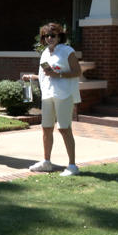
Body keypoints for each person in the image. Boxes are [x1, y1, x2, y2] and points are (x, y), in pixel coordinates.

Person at [22, 22, 82, 177]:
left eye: (52, 35)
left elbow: (77, 72)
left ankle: (72, 165)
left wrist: (59, 74)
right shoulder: (45, 53)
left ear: (59, 36)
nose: (49, 38)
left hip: (64, 94)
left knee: (64, 128)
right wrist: (31, 77)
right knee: (46, 128)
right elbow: (45, 76)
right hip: (48, 94)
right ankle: (46, 162)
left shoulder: (67, 51)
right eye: (46, 36)